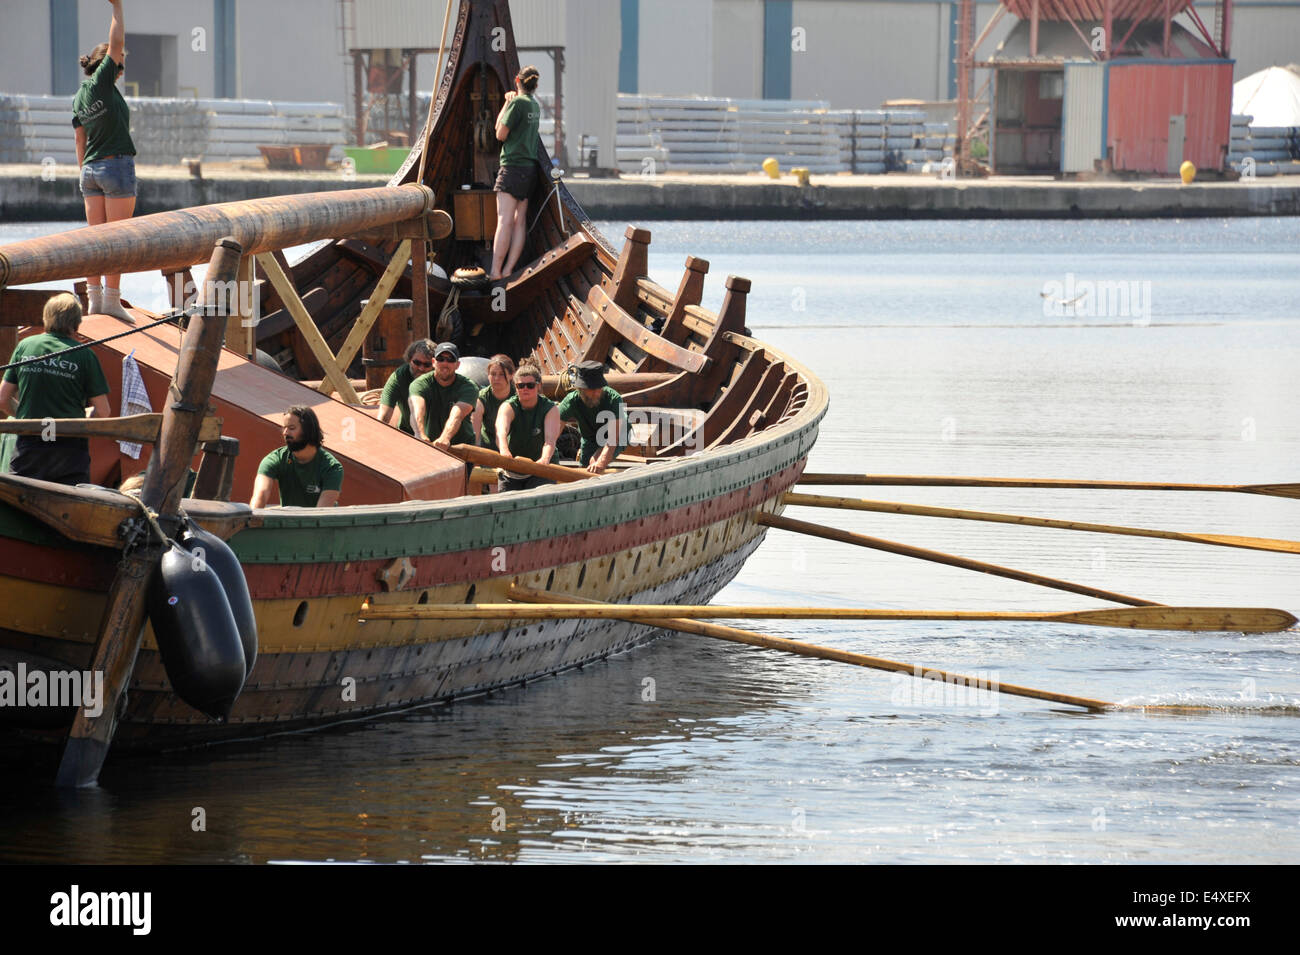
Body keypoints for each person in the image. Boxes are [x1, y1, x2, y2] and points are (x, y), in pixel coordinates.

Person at [0, 293, 111, 485]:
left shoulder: (25, 346)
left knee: (19, 501)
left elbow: (2, 399)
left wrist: (28, 418)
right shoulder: (85, 355)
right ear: (77, 322)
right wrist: (82, 418)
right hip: (70, 451)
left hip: (29, 446)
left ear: (46, 317)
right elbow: (103, 411)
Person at [74, 0, 136, 323]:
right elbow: (117, 42)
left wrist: (83, 171)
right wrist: (117, 7)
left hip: (90, 172)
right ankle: (111, 300)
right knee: (117, 240)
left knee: (94, 239)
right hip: (114, 168)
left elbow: (79, 140)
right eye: (119, 63)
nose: (122, 67)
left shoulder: (80, 95)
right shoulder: (101, 82)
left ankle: (94, 299)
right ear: (107, 64)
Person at [488, 65, 541, 280]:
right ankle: (509, 270)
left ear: (517, 80)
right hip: (528, 169)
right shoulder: (535, 106)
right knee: (519, 222)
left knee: (504, 220)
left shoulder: (517, 103)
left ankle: (495, 272)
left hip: (511, 167)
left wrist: (506, 103)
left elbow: (499, 133)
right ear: (535, 85)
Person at [250, 405, 343, 508]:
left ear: (308, 430)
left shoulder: (331, 467)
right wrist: (251, 519)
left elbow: (321, 513)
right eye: (284, 428)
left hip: (319, 522)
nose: (285, 433)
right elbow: (261, 494)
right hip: (289, 522)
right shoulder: (275, 459)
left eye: (291, 428)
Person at [494, 362, 560, 492]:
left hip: (541, 469)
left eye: (530, 385)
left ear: (538, 386)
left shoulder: (550, 408)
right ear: (515, 387)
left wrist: (544, 460)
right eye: (520, 386)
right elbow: (501, 432)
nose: (525, 389)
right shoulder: (508, 407)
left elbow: (550, 440)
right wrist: (504, 451)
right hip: (511, 469)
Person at [557, 361, 627, 474]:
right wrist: (546, 456)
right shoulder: (571, 401)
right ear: (581, 389)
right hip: (590, 438)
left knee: (594, 462)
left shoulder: (614, 399)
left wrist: (601, 462)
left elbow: (613, 440)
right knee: (584, 470)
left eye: (598, 388)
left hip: (618, 435)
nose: (596, 393)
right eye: (591, 389)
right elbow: (552, 434)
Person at [408, 342, 478, 451]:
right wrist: (419, 434)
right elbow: (417, 411)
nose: (445, 363)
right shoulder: (419, 384)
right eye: (440, 359)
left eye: (450, 359)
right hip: (429, 446)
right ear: (433, 362)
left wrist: (445, 438)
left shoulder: (469, 387)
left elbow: (457, 416)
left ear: (457, 365)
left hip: (461, 448)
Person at [377, 339, 435, 436]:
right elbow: (383, 416)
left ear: (434, 364)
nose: (421, 368)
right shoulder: (399, 377)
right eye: (417, 363)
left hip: (437, 435)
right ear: (409, 359)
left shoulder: (440, 378)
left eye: (427, 365)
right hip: (407, 432)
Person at [471, 353, 516, 449]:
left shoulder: (519, 395)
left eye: (501, 374)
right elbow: (475, 430)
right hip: (489, 449)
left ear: (511, 375)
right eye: (493, 374)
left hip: (515, 447)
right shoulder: (482, 398)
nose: (496, 378)